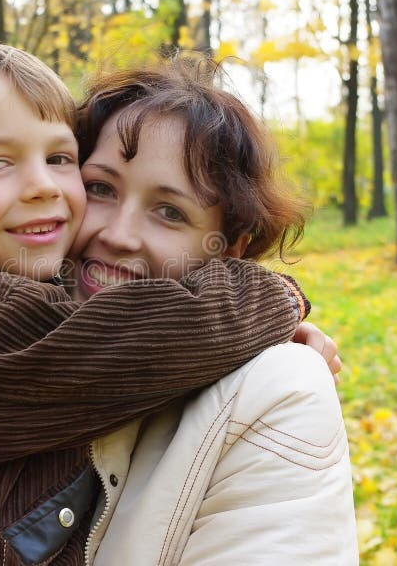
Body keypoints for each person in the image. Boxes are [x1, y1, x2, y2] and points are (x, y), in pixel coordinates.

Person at [0, 42, 328, 566]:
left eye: (59, 159)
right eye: (101, 188)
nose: (42, 186)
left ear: (233, 242)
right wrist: (276, 297)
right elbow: (153, 334)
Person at [67, 59, 359, 564]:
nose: (117, 233)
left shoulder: (279, 395)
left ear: (231, 248)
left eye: (170, 211)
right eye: (100, 188)